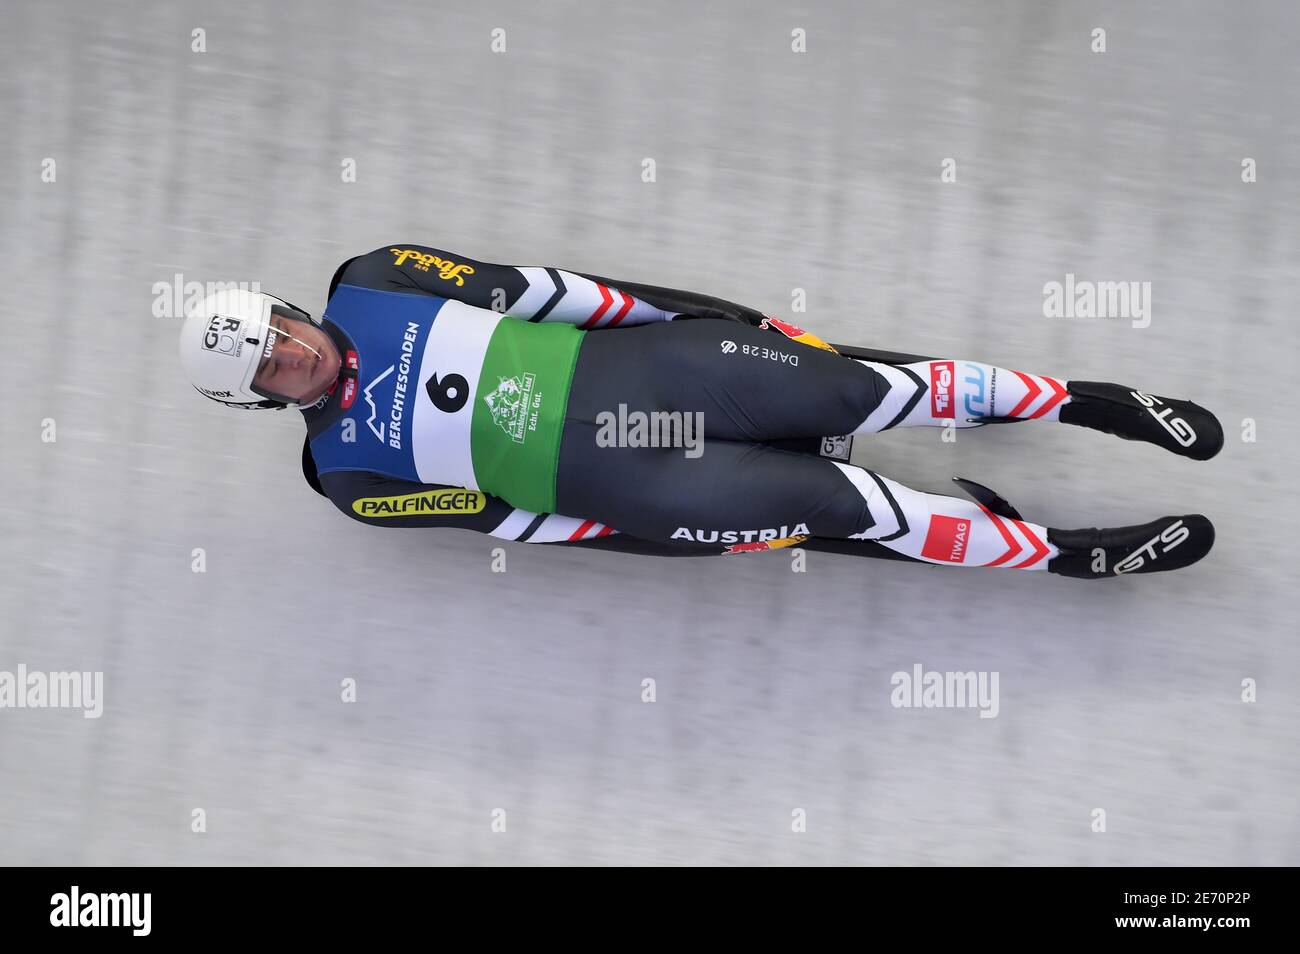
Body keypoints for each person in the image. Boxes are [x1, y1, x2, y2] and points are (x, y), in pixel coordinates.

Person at [178, 244, 1222, 578]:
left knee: (868, 387)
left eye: (278, 330)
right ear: (258, 400)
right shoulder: (353, 482)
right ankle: (1065, 553)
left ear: (288, 307)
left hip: (654, 379)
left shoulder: (377, 277)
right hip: (640, 479)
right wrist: (653, 539)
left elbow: (548, 289)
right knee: (854, 502)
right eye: (268, 370)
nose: (291, 354)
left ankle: (1090, 400)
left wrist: (698, 316)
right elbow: (511, 522)